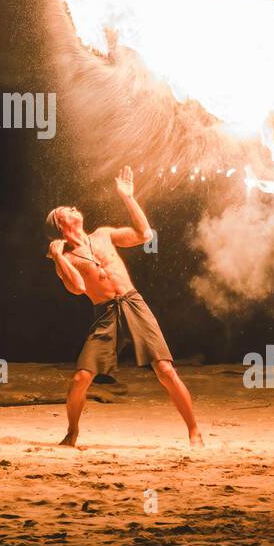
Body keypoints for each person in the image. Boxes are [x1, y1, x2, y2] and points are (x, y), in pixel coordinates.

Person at [45, 166, 202, 448]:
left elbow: (144, 235)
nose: (73, 207)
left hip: (133, 302)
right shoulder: (66, 258)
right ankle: (72, 432)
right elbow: (79, 287)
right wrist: (59, 257)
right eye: (66, 210)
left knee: (165, 370)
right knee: (81, 377)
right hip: (105, 313)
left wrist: (128, 197)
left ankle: (194, 431)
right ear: (61, 224)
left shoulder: (103, 235)